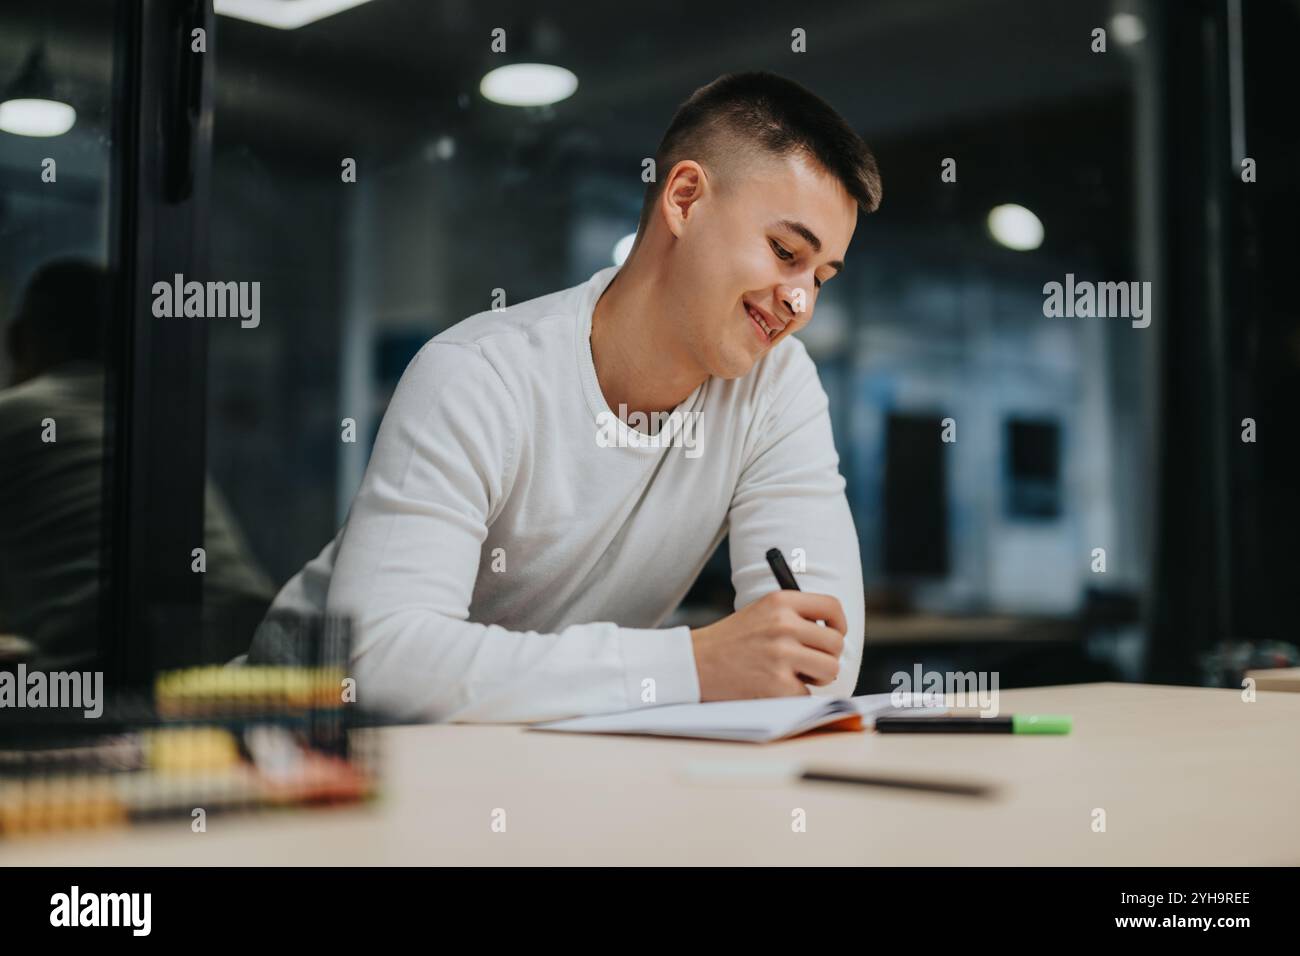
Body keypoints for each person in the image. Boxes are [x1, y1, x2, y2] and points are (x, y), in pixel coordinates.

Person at [251, 71, 881, 723]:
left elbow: (816, 668)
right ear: (686, 199)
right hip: (285, 746)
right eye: (785, 252)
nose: (801, 302)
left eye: (822, 276)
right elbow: (381, 662)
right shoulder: (477, 375)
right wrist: (692, 667)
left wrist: (718, 668)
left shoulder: (776, 385)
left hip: (512, 756)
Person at [0, 259, 275, 669]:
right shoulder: (148, 425)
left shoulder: (14, 414)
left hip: (117, 671)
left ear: (18, 340)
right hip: (253, 655)